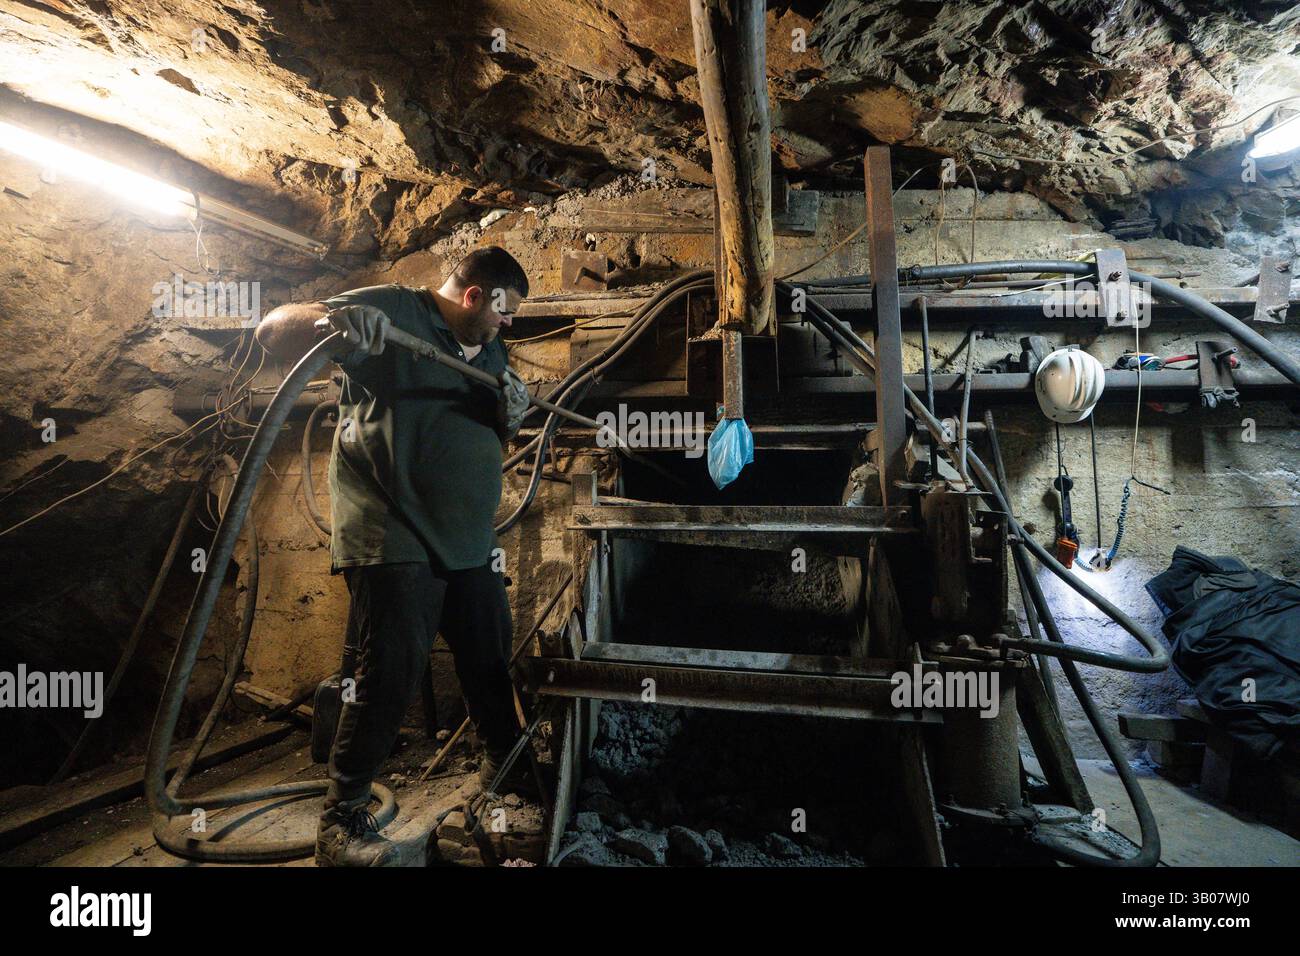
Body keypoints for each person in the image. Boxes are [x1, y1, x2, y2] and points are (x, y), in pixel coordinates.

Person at [255, 246, 533, 866]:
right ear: (474, 296)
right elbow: (270, 328)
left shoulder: (488, 349)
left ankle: (506, 768)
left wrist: (509, 416)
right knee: (391, 670)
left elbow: (472, 427)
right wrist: (331, 324)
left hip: (466, 538)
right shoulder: (391, 309)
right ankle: (343, 819)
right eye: (505, 312)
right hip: (392, 528)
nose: (508, 325)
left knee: (489, 653)